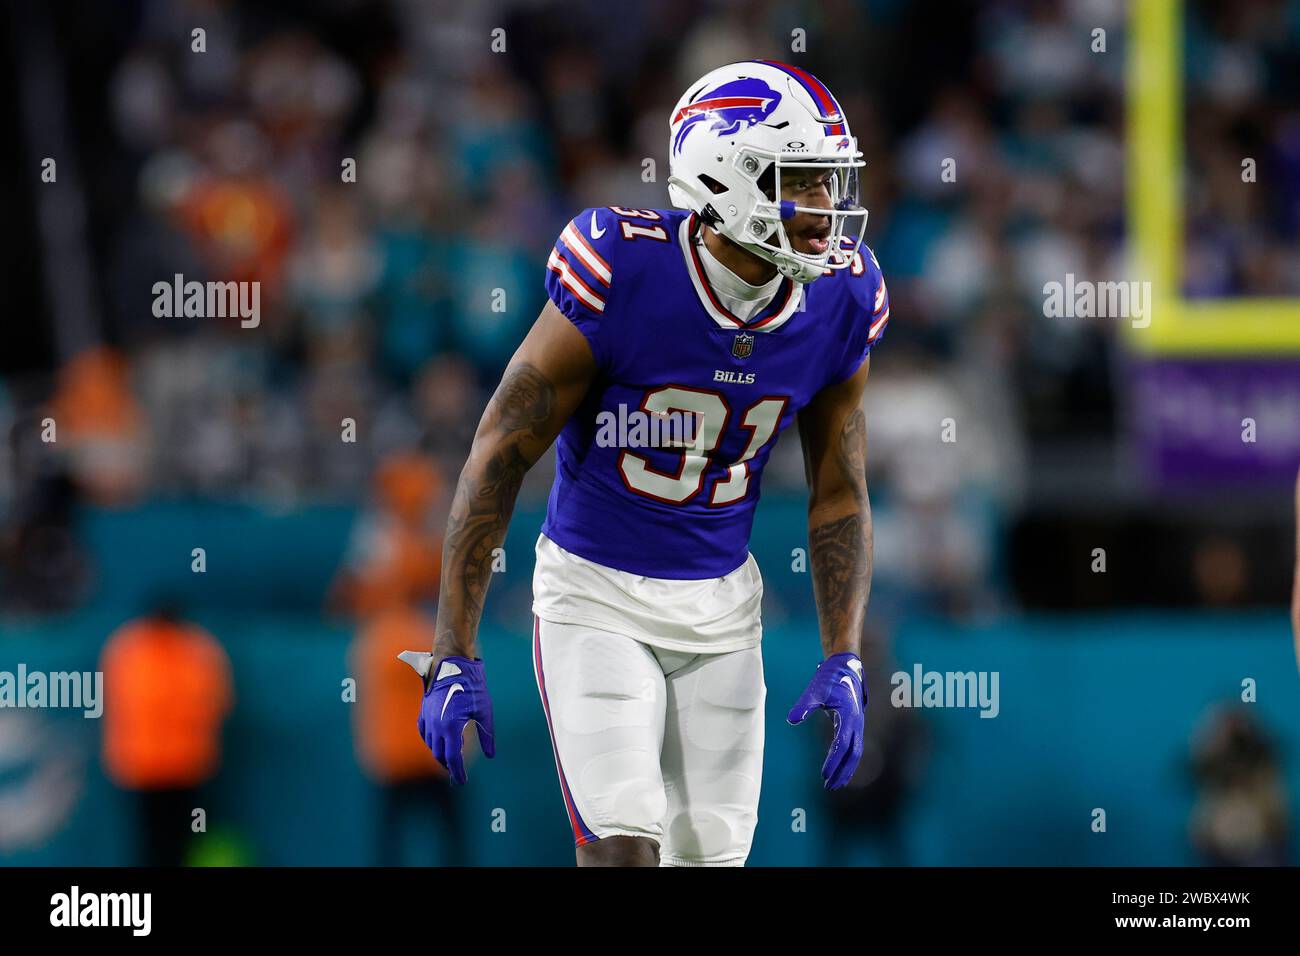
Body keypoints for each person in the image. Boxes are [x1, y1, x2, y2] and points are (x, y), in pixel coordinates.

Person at [402, 61, 890, 867]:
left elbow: (840, 491)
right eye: (801, 180)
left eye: (831, 182)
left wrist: (844, 650)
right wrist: (453, 644)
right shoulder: (623, 268)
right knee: (626, 850)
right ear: (727, 178)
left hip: (725, 611)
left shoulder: (843, 298)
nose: (827, 210)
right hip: (596, 595)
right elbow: (499, 450)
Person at [100, 602, 233, 866]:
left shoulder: (192, 649)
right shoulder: (138, 647)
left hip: (178, 763)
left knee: (178, 837)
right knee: (155, 839)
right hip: (153, 764)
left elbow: (216, 700)